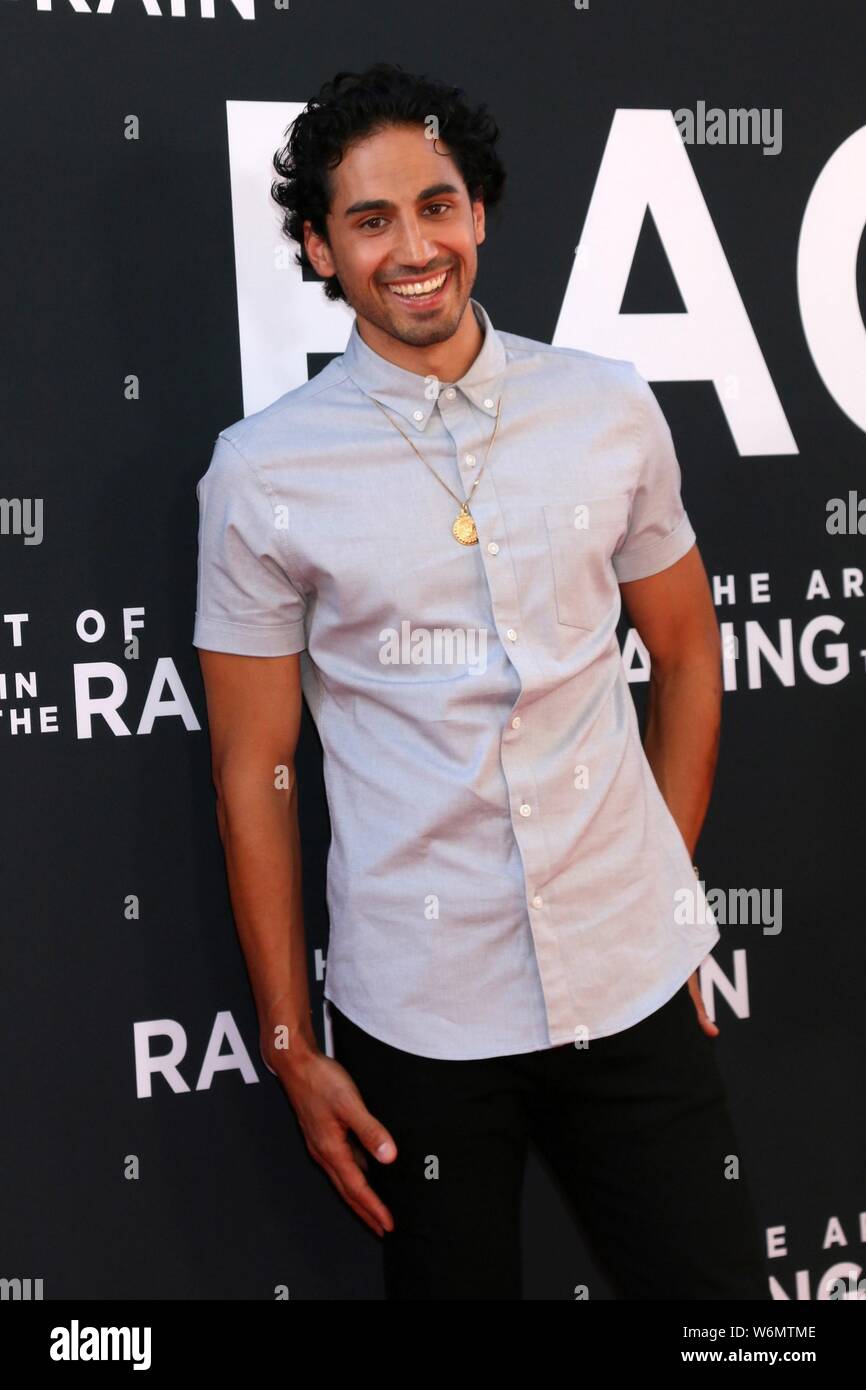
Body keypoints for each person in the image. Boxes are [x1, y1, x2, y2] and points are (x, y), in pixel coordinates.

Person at [192, 62, 769, 1300]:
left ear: (479, 213)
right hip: (422, 1020)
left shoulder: (606, 407)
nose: (415, 248)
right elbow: (253, 769)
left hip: (629, 988)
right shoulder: (263, 473)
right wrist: (290, 1044)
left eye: (436, 205)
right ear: (319, 249)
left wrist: (655, 891)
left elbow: (684, 650)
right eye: (370, 219)